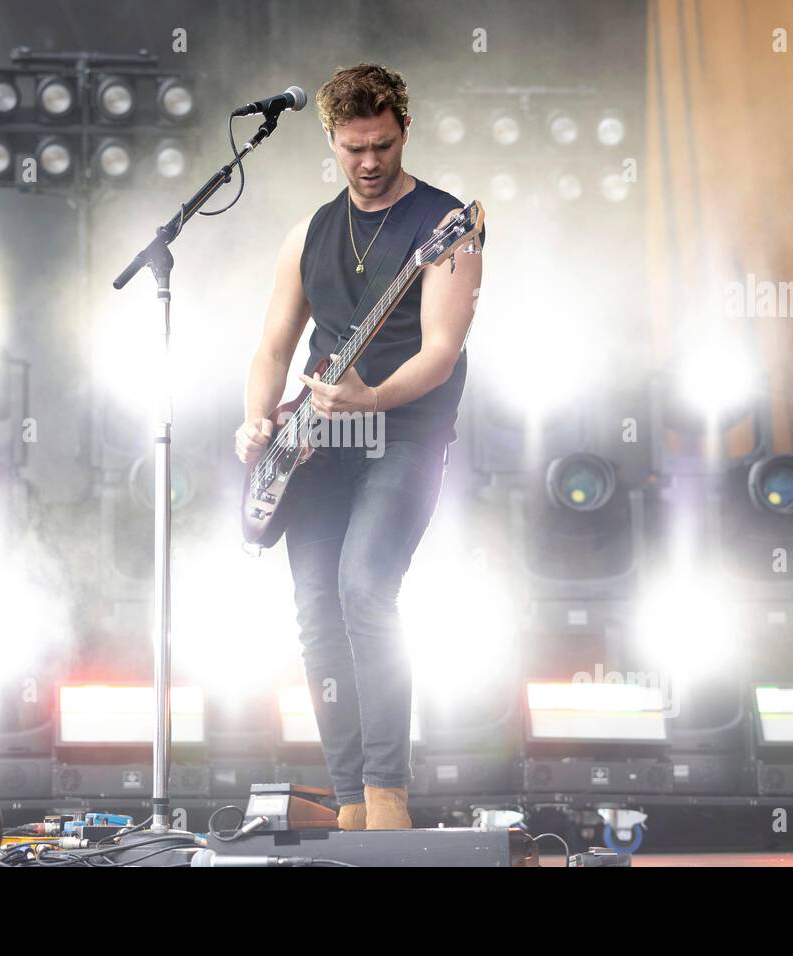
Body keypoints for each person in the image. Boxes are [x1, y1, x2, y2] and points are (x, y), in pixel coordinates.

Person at [235, 63, 484, 830]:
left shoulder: (449, 225)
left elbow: (441, 350)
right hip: (316, 446)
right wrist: (255, 418)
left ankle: (387, 798)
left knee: (364, 590)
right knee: (315, 611)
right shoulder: (307, 233)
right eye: (353, 148)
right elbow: (272, 346)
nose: (369, 162)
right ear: (332, 143)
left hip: (404, 435)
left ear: (404, 129)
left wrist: (371, 397)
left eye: (382, 144)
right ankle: (347, 801)